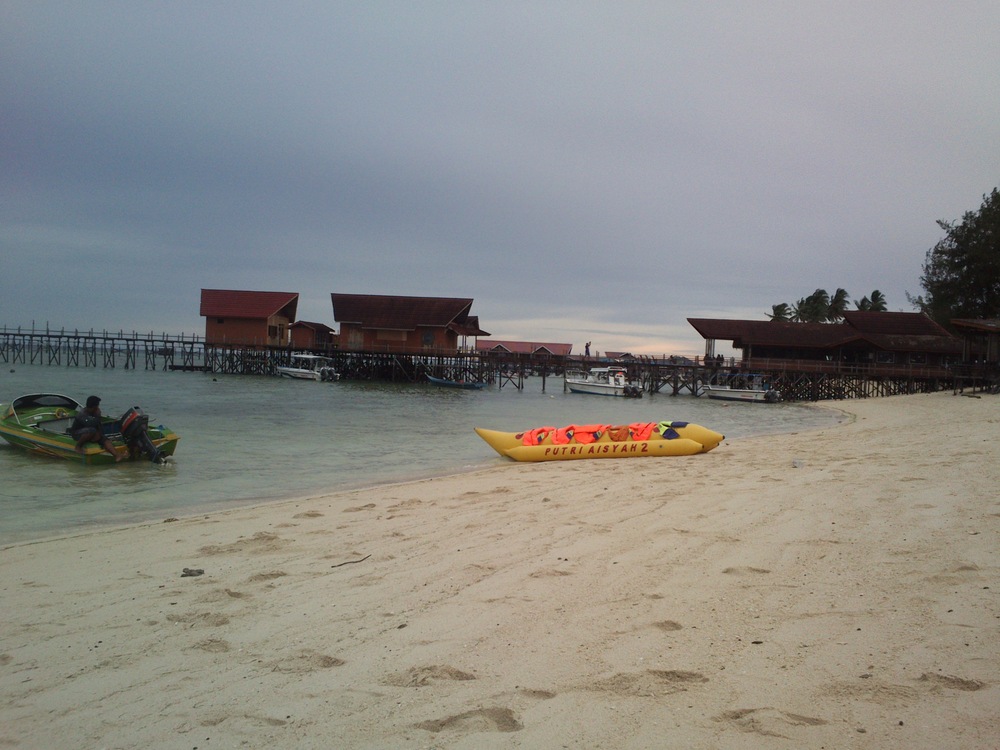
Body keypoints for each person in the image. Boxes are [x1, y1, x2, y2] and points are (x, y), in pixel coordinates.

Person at [72, 395, 123, 461]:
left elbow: (98, 426)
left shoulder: (94, 413)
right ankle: (78, 447)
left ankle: (116, 456)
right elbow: (90, 424)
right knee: (91, 430)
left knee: (104, 439)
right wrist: (98, 416)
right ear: (94, 406)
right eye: (97, 405)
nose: (98, 407)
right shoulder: (82, 414)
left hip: (91, 433)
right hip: (77, 433)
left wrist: (101, 436)